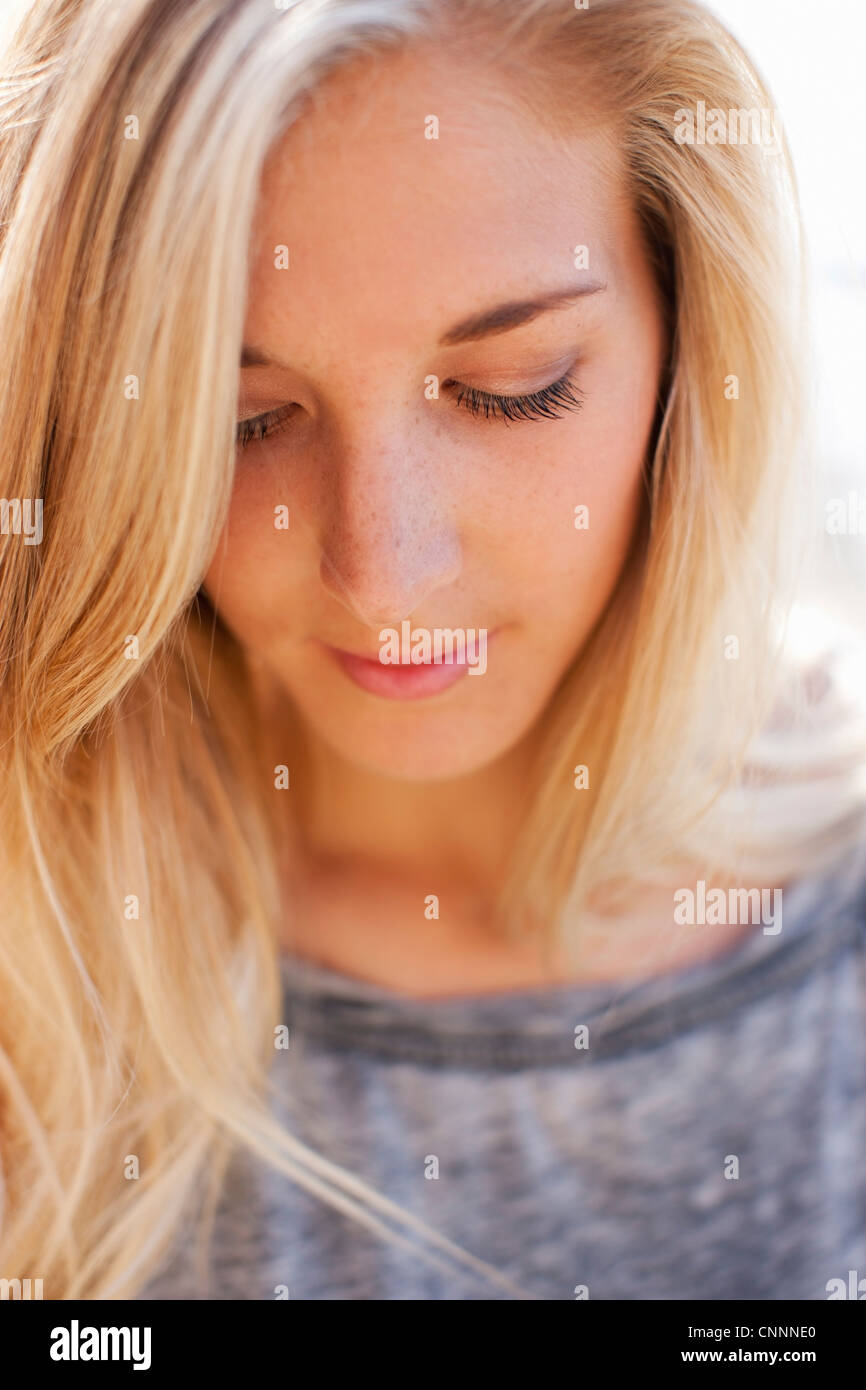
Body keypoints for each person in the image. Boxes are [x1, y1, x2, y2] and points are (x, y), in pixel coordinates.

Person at [0, 0, 864, 1301]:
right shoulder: (35, 994)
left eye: (511, 386)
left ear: (689, 337)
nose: (383, 566)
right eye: (244, 420)